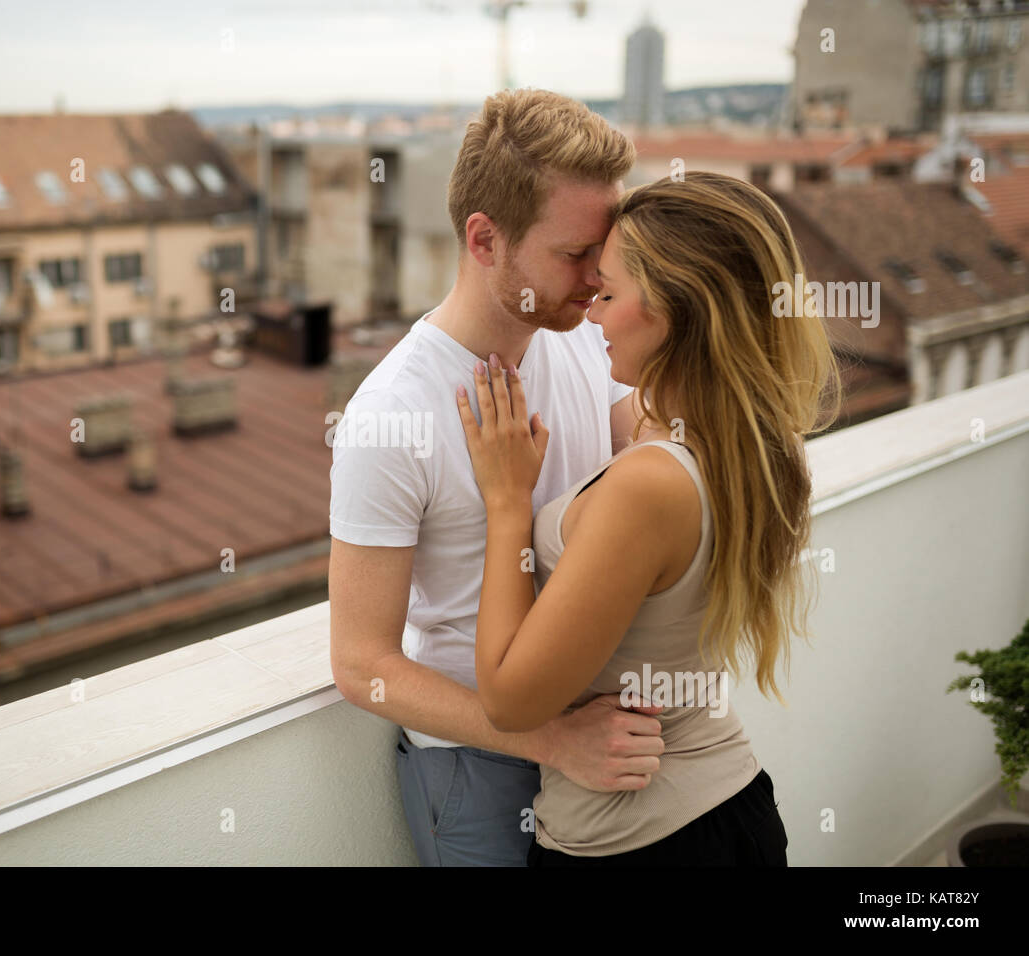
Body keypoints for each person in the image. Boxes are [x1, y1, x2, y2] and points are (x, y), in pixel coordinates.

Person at [455, 169, 843, 865]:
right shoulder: (761, 439)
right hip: (727, 806)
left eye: (607, 292)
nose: (593, 314)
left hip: (642, 841)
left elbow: (510, 701)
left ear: (674, 308)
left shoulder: (650, 485)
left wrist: (509, 505)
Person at [328, 88, 667, 867]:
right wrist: (556, 741)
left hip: (601, 734)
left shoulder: (587, 339)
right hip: (481, 768)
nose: (596, 279)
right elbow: (361, 666)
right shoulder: (390, 416)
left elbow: (658, 460)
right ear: (485, 240)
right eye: (574, 254)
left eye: (604, 255)